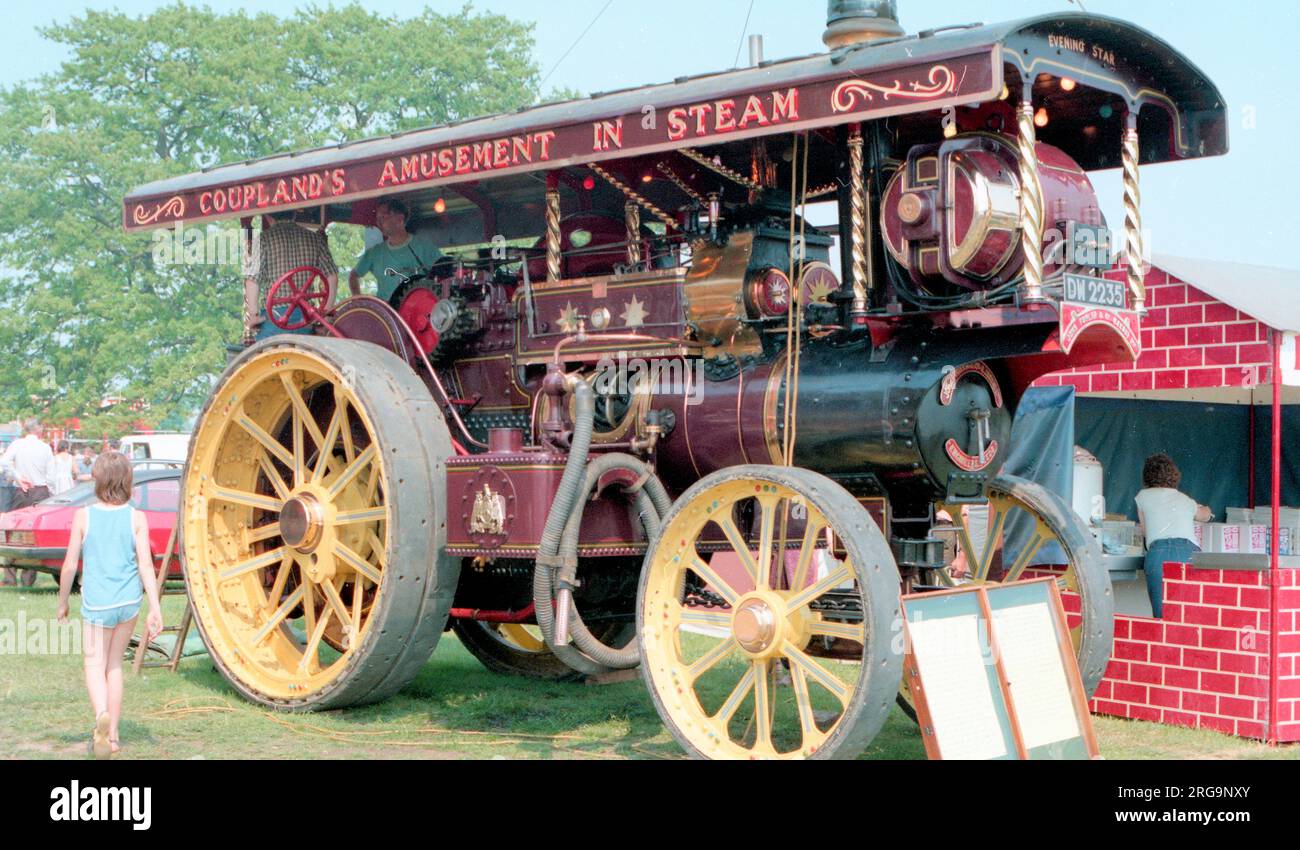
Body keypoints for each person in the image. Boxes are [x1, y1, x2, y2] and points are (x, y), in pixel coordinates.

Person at [56, 451, 163, 759]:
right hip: (129, 603)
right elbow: (145, 565)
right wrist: (155, 608)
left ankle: (101, 715)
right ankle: (113, 736)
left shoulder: (84, 516)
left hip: (97, 604)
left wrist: (62, 602)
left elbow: (69, 565)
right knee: (115, 665)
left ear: (99, 480)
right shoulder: (137, 517)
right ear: (127, 481)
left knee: (93, 664)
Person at [1135, 453, 1211, 618]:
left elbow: (1145, 531)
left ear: (1147, 476)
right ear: (1174, 476)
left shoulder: (1142, 497)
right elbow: (1203, 515)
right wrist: (1208, 510)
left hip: (1158, 553)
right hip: (1188, 553)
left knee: (1161, 615)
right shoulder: (1185, 499)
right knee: (1189, 614)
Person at [245, 209, 339, 341]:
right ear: (295, 214)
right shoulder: (315, 239)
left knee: (257, 353)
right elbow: (332, 276)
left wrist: (254, 315)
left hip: (276, 319)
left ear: (268, 217)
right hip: (305, 318)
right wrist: (325, 312)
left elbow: (252, 281)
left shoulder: (262, 240)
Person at [348, 198, 444, 304]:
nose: (379, 222)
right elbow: (353, 275)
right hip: (387, 314)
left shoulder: (424, 247)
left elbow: (444, 272)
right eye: (378, 218)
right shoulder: (374, 253)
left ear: (400, 219)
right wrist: (358, 300)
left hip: (418, 311)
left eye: (384, 217)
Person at [0, 419, 54, 587]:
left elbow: (3, 462)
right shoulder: (45, 448)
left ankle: (9, 576)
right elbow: (51, 475)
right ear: (40, 432)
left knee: (13, 530)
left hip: (21, 491)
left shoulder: (18, 444)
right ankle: (28, 577)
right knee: (35, 534)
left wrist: (18, 477)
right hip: (41, 491)